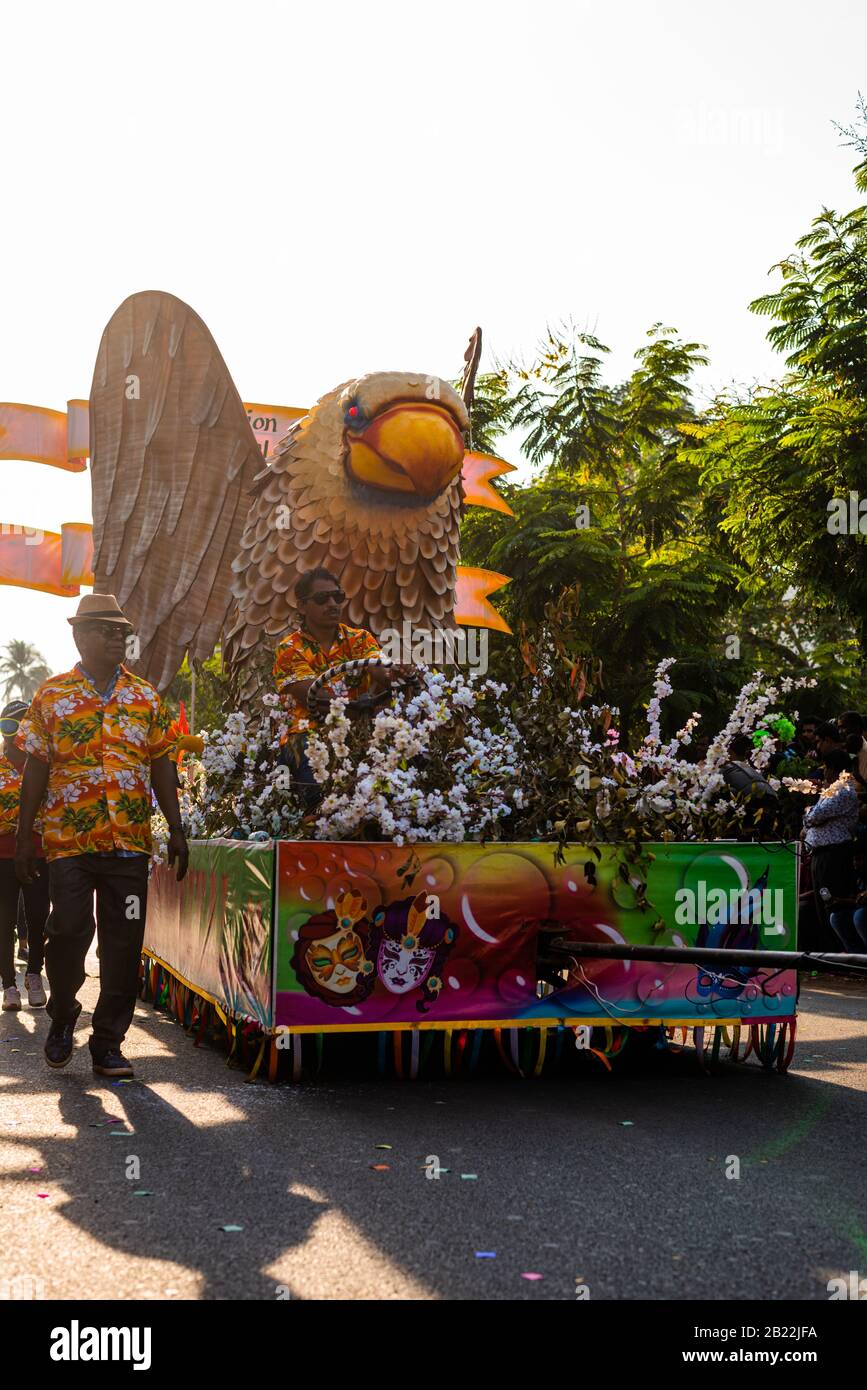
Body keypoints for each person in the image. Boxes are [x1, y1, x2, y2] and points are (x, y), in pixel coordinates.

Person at [14, 594, 189, 1079]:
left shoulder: (145, 696)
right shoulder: (51, 695)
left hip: (129, 845)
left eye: (121, 631)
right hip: (69, 842)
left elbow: (161, 763)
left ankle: (109, 1043)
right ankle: (65, 1009)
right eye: (107, 630)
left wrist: (175, 828)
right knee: (67, 930)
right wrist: (26, 835)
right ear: (80, 635)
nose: (118, 638)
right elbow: (35, 767)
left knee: (124, 943)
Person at [272, 568, 411, 801]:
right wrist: (361, 707)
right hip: (310, 735)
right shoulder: (289, 649)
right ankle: (314, 814)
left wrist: (395, 673)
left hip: (361, 731)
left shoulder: (359, 639)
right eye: (322, 598)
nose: (332, 604)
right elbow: (314, 697)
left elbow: (379, 667)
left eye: (338, 597)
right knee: (313, 770)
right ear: (302, 606)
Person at [0, 700, 48, 1010]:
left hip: (39, 852)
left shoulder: (42, 765)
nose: (10, 733)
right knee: (4, 921)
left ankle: (33, 974)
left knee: (37, 917)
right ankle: (8, 985)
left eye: (17, 725)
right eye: (5, 725)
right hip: (2, 854)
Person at [802, 748, 859, 938]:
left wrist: (811, 818)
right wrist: (811, 817)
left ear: (836, 769)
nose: (824, 771)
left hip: (833, 855)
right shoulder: (831, 790)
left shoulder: (843, 791)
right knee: (822, 907)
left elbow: (814, 816)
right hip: (821, 854)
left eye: (826, 767)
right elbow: (811, 816)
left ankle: (839, 956)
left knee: (833, 905)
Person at [827, 842, 867, 952]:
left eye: (863, 859)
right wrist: (839, 901)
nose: (860, 863)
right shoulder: (854, 875)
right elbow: (857, 900)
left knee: (859, 915)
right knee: (835, 917)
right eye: (856, 860)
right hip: (859, 908)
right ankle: (857, 958)